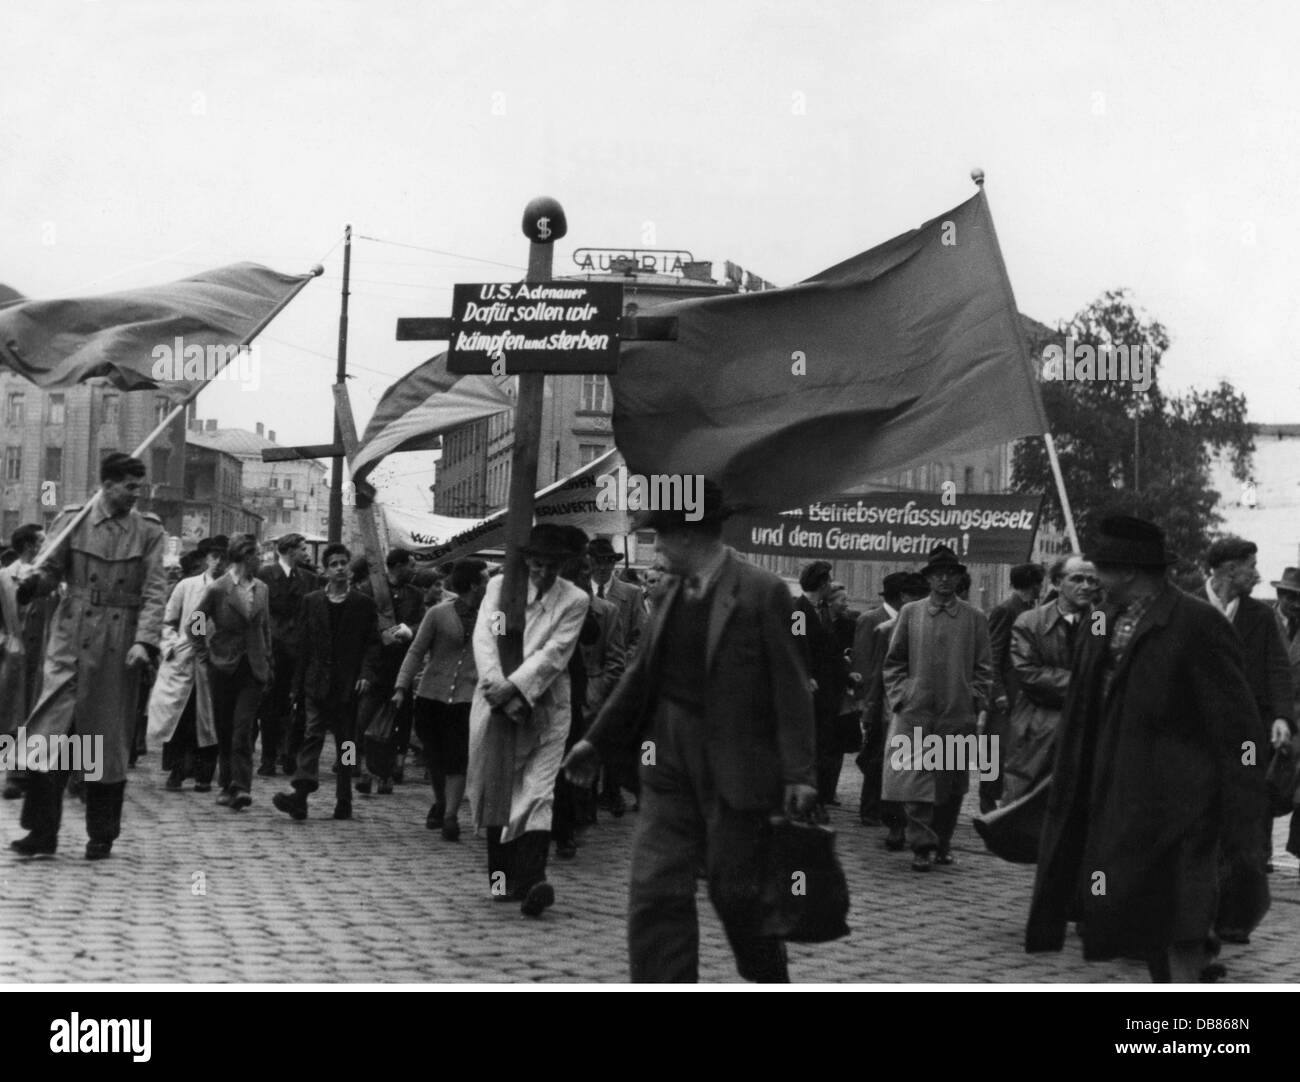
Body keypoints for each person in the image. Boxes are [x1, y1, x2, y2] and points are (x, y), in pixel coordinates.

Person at [564, 482, 817, 982]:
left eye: (662, 536)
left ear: (690, 536)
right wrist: (596, 740)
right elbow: (640, 675)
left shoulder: (762, 591)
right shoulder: (669, 592)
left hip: (738, 762)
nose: (657, 548)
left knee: (735, 891)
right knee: (655, 886)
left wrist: (799, 774)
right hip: (666, 759)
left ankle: (768, 975)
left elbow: (791, 687)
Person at [1026, 515, 1267, 982]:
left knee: (1179, 917)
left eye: (1103, 568)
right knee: (1120, 905)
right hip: (1114, 795)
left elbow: (1239, 732)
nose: (1094, 578)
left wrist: (1242, 811)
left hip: (1178, 807)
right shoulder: (1100, 620)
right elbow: (1083, 703)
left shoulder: (1197, 624)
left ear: (1131, 571)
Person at [9, 454, 168, 859]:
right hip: (69, 640)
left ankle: (102, 833)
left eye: (139, 486)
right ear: (108, 484)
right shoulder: (73, 520)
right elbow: (52, 573)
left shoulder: (148, 531)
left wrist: (144, 641)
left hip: (118, 645)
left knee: (101, 741)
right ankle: (41, 833)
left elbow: (154, 591)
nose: (137, 494)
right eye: (130, 486)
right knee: (50, 737)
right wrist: (31, 584)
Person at [468, 523, 589, 918]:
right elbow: (486, 638)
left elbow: (556, 652)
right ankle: (501, 881)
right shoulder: (500, 588)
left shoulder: (574, 600)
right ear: (526, 560)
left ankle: (533, 880)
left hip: (547, 704)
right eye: (537, 564)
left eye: (553, 566)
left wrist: (519, 688)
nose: (544, 572)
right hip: (496, 697)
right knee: (498, 785)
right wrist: (499, 689)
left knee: (538, 790)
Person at [1201, 536, 1293, 932]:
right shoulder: (1188, 607)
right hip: (1194, 735)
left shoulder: (1260, 616)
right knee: (1197, 815)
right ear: (1228, 569)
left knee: (1243, 814)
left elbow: (1277, 670)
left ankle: (1235, 916)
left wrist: (1282, 719)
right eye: (1251, 566)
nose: (1257, 573)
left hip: (1247, 738)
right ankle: (1192, 908)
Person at [882, 545, 993, 871]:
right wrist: (901, 696)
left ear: (960, 578)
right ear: (928, 578)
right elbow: (894, 661)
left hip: (957, 714)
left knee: (951, 784)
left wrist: (975, 698)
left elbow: (985, 666)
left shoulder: (975, 618)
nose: (944, 580)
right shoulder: (911, 613)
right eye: (937, 574)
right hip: (916, 712)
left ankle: (942, 843)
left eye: (951, 574)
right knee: (915, 782)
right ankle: (921, 846)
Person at [272, 542, 380, 822]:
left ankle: (344, 797)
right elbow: (303, 645)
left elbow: (372, 644)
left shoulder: (363, 604)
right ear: (325, 570)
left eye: (344, 563)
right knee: (312, 735)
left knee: (346, 743)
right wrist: (296, 685)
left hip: (348, 684)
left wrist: (366, 674)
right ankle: (301, 796)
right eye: (334, 564)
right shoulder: (312, 601)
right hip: (316, 682)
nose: (340, 568)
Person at [392, 558, 487, 840]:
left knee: (457, 757)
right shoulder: (437, 613)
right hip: (431, 695)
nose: (488, 585)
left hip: (468, 698)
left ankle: (450, 816)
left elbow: (504, 646)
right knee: (435, 756)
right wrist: (401, 686)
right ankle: (442, 800)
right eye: (484, 580)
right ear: (472, 585)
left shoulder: (495, 616)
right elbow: (416, 651)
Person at [1000, 555, 1097, 804]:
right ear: (1056, 582)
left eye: (1091, 580)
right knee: (1024, 799)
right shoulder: (1030, 621)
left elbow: (1109, 663)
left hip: (1085, 726)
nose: (1086, 586)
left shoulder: (1100, 621)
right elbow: (1028, 674)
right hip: (1038, 726)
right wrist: (1085, 683)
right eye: (1077, 579)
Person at [192, 534, 273, 812]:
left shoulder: (262, 588)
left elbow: (265, 628)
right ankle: (226, 783)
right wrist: (204, 654)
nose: (260, 560)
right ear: (243, 558)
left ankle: (241, 787)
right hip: (223, 666)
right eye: (257, 556)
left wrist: (268, 660)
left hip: (253, 668)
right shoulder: (218, 588)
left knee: (242, 730)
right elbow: (197, 622)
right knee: (225, 729)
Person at [147, 536, 228, 793]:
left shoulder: (230, 589)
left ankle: (205, 774)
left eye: (224, 558)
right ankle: (178, 771)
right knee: (183, 718)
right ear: (206, 559)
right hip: (185, 660)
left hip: (216, 663)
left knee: (211, 720)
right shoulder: (187, 586)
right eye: (214, 557)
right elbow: (168, 621)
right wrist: (171, 646)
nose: (219, 562)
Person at [852, 570, 928, 837]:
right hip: (880, 700)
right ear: (902, 597)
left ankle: (892, 813)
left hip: (905, 703)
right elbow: (867, 665)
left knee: (895, 761)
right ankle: (870, 809)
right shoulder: (873, 620)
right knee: (875, 760)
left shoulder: (916, 621)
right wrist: (866, 702)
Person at [355, 548, 425, 794]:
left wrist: (410, 631)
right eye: (411, 565)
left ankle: (391, 771)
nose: (414, 570)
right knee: (360, 722)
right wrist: (381, 636)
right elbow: (361, 626)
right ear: (398, 566)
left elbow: (421, 624)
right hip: (374, 667)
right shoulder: (370, 589)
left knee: (398, 722)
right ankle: (350, 764)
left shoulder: (415, 594)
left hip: (401, 667)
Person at [589, 537, 646, 815]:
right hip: (587, 674)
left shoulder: (631, 593)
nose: (602, 568)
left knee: (613, 734)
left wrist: (624, 662)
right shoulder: (578, 590)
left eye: (608, 562)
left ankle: (612, 792)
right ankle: (586, 794)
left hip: (617, 674)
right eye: (597, 562)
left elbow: (640, 634)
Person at [982, 562, 1044, 812]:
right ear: (1033, 584)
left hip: (1022, 694)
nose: (1042, 587)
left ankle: (1007, 803)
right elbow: (993, 654)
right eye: (1040, 582)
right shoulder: (1006, 610)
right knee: (994, 751)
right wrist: (997, 692)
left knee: (1015, 751)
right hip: (1005, 695)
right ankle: (987, 803)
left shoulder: (1030, 609)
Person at [255, 532, 316, 776]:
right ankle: (268, 757)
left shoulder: (309, 579)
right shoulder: (265, 576)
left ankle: (290, 756)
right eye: (302, 549)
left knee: (298, 706)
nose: (306, 553)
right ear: (290, 550)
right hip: (274, 650)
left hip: (300, 651)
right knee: (271, 706)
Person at [1, 523, 51, 801]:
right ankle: (13, 774)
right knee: (12, 715)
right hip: (13, 654)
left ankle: (37, 773)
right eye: (43, 541)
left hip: (43, 655)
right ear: (30, 546)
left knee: (40, 715)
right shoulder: (3, 578)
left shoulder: (50, 580)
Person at [794, 560, 846, 816]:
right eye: (828, 582)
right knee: (811, 748)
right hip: (810, 692)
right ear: (822, 583)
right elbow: (796, 646)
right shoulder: (799, 612)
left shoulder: (822, 610)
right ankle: (808, 803)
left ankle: (819, 800)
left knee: (824, 748)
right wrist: (806, 675)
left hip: (828, 692)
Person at [1272, 568, 1300, 871]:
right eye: (1291, 596)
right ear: (1280, 595)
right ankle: (1259, 858)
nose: (1296, 603)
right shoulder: (1262, 622)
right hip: (1264, 721)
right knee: (1259, 787)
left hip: (1298, 725)